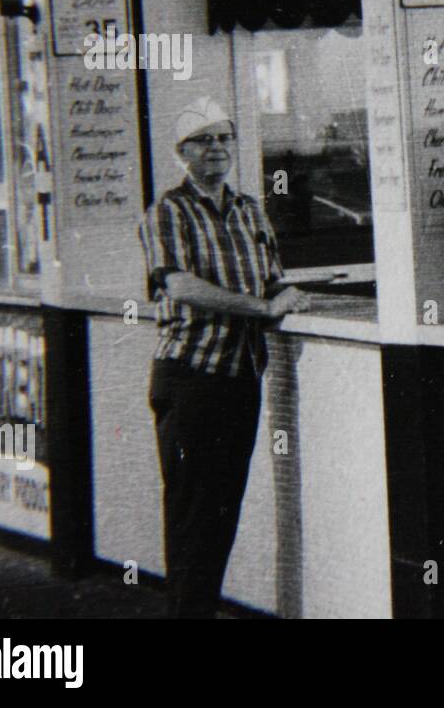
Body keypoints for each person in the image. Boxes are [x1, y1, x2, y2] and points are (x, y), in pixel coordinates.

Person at [138, 96, 312, 617]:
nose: (216, 149)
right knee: (193, 513)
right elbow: (179, 285)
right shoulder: (167, 211)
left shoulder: (249, 209)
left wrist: (287, 294)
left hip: (240, 376)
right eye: (203, 140)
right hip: (190, 375)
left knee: (220, 511)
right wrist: (262, 307)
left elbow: (272, 273)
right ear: (181, 152)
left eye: (224, 138)